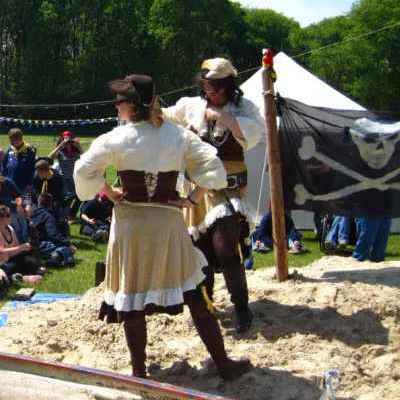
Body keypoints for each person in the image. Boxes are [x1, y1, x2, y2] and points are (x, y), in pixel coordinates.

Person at [75, 73, 251, 380]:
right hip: (168, 226)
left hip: (130, 228)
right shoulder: (176, 135)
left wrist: (107, 190)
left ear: (131, 105)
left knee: (132, 298)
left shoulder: (116, 138)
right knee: (195, 295)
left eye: (119, 101)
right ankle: (224, 366)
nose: (116, 106)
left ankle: (139, 372)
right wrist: (193, 198)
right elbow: (214, 168)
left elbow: (81, 171)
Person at [163, 58, 265, 334]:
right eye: (208, 87)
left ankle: (242, 307)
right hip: (197, 188)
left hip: (228, 188)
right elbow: (168, 115)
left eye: (217, 88)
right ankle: (204, 308)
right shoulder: (193, 105)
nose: (212, 94)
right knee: (201, 253)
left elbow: (255, 132)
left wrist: (223, 117)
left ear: (229, 87)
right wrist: (147, 107)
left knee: (226, 249)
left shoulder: (245, 108)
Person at [0, 204, 41, 276]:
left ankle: (31, 270)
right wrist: (20, 248)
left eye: (9, 215)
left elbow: (16, 247)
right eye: (7, 215)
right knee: (13, 267)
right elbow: (0, 252)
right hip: (3, 261)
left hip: (14, 258)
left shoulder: (9, 228)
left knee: (34, 262)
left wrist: (24, 248)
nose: (10, 217)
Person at [31, 193, 75, 266]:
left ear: (38, 202)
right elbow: (53, 234)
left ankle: (65, 259)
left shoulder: (29, 212)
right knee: (66, 248)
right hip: (39, 246)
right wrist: (68, 244)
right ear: (51, 204)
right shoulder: (48, 217)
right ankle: (56, 257)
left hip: (27, 244)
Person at [49, 130, 83, 221]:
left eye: (69, 138)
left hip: (75, 179)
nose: (67, 140)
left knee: (80, 197)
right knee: (66, 199)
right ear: (62, 139)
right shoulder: (60, 152)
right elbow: (50, 157)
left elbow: (85, 160)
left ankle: (71, 214)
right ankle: (64, 217)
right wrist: (60, 146)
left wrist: (79, 147)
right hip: (64, 179)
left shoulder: (76, 152)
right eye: (65, 138)